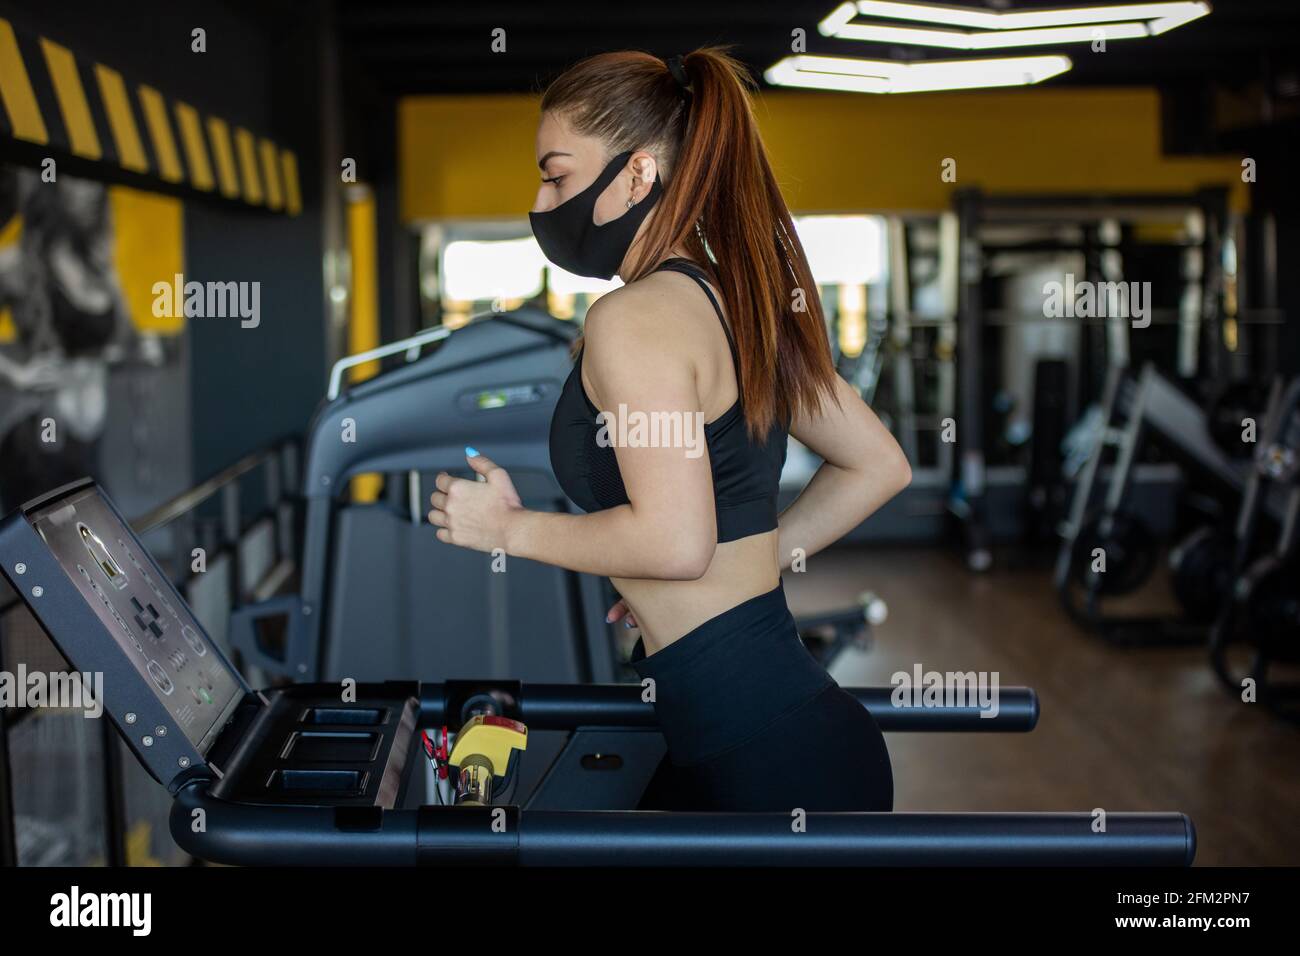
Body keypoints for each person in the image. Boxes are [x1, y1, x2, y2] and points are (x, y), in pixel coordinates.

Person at [428, 48, 911, 812]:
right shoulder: (736, 301)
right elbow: (878, 465)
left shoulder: (633, 318)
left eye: (557, 174)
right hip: (773, 730)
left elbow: (674, 544)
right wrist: (748, 569)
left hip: (767, 759)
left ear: (638, 173)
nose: (542, 197)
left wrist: (508, 529)